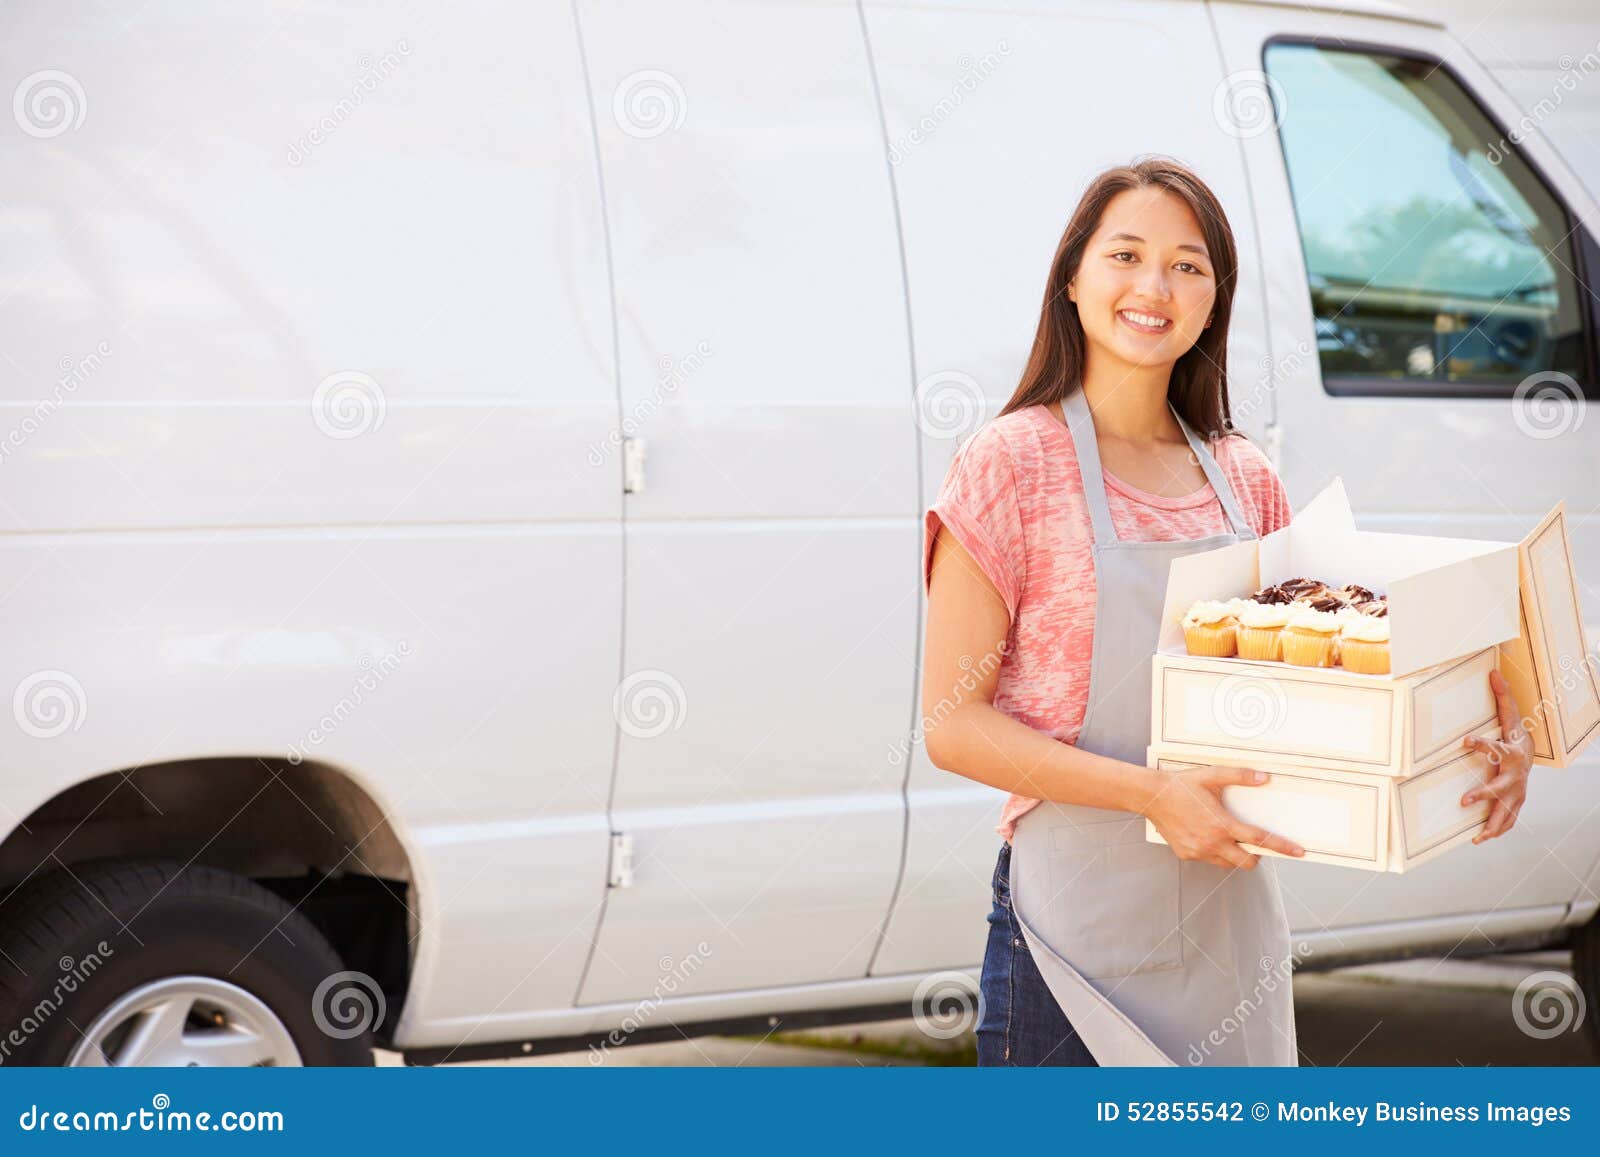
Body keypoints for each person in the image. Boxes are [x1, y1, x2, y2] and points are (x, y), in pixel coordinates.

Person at [920, 156, 1534, 1067]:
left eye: (1188, 265)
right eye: (1125, 254)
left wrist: (1479, 750)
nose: (1154, 286)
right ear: (1073, 278)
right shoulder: (1011, 464)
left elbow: (1331, 689)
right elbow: (950, 725)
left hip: (1230, 936)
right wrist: (1155, 793)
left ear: (1215, 300)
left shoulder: (1245, 477)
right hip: (1069, 941)